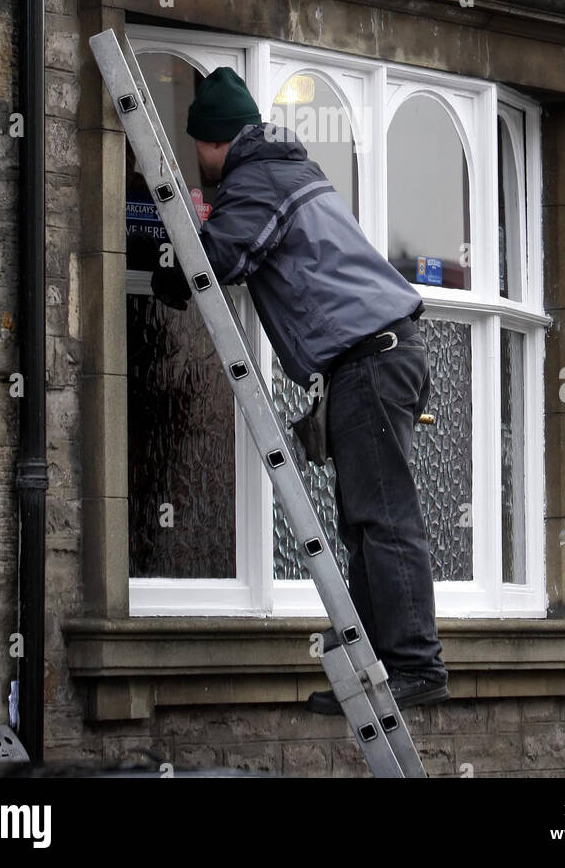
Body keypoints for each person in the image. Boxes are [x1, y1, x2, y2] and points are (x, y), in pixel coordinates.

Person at [150, 65, 449, 713]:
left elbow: (224, 256)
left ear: (214, 140)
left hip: (373, 358)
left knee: (382, 517)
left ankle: (414, 665)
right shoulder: (282, 167)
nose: (195, 158)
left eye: (196, 144)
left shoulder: (257, 178)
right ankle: (377, 672)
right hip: (373, 358)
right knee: (365, 522)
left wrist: (168, 272)